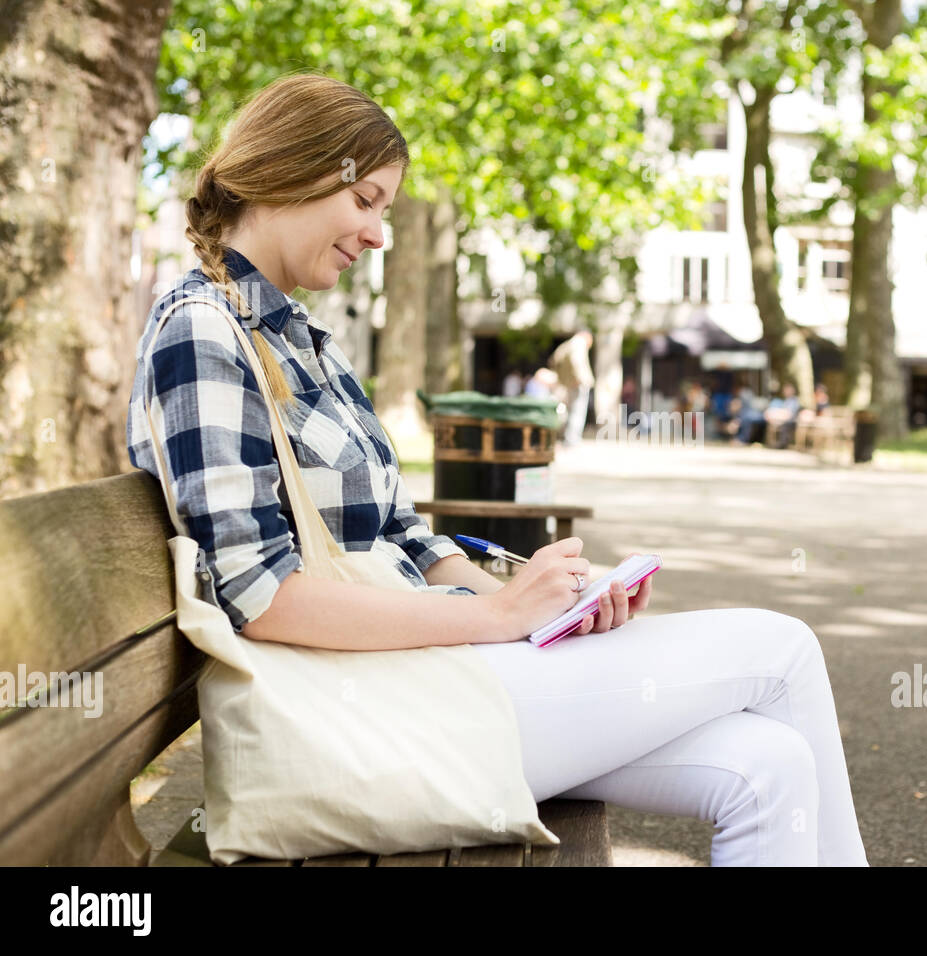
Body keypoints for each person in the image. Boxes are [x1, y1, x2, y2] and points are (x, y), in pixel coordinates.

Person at [124, 73, 866, 867]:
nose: (379, 235)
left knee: (768, 767)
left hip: (429, 682)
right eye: (367, 200)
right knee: (782, 650)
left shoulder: (302, 336)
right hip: (367, 719)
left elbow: (405, 538)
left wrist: (544, 607)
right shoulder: (201, 329)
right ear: (293, 169)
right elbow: (259, 596)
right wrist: (492, 618)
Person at [548, 329, 595, 446]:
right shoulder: (579, 343)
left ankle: (568, 438)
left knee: (571, 411)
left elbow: (553, 360)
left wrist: (564, 378)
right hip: (578, 383)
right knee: (577, 411)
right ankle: (572, 440)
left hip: (569, 383)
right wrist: (578, 378)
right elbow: (577, 361)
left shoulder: (566, 345)